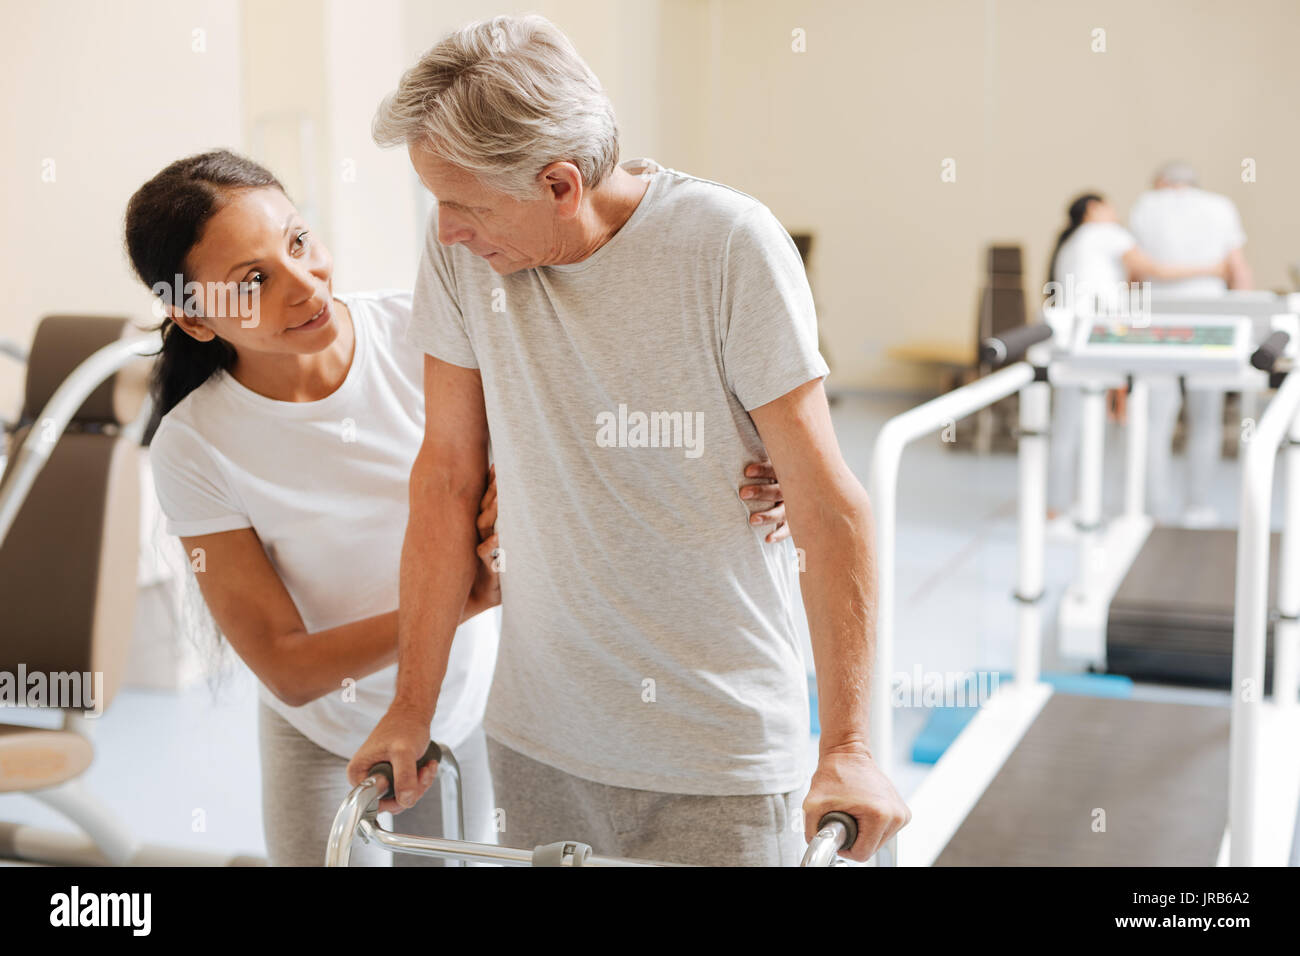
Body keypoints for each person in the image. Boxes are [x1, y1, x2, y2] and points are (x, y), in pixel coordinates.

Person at [126, 148, 802, 865]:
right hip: (326, 732)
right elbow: (289, 669)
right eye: (253, 280)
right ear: (195, 321)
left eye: (298, 241)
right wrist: (465, 599)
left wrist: (757, 466)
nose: (304, 284)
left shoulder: (423, 334)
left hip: (468, 703)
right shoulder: (193, 444)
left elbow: (589, 428)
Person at [348, 14, 910, 866]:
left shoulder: (727, 246)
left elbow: (829, 506)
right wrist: (409, 708)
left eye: (465, 205)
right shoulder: (461, 250)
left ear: (561, 184)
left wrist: (849, 750)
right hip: (539, 737)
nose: (448, 229)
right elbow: (446, 477)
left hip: (715, 752)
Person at [1045, 192, 1227, 522]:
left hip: (1070, 338)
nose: (1116, 212)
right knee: (1119, 421)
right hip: (1097, 338)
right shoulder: (1106, 234)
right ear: (1092, 210)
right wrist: (1213, 269)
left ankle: (1060, 509)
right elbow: (1152, 269)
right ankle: (1130, 509)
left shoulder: (1072, 243)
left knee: (1068, 426)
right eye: (1109, 205)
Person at [1129, 162, 1252, 526]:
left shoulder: (1146, 205)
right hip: (1210, 319)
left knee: (1154, 420)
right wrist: (1246, 320)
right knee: (1206, 419)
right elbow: (1238, 268)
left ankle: (1153, 510)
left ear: (1162, 182)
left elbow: (1135, 273)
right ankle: (1197, 508)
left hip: (1157, 319)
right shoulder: (1221, 206)